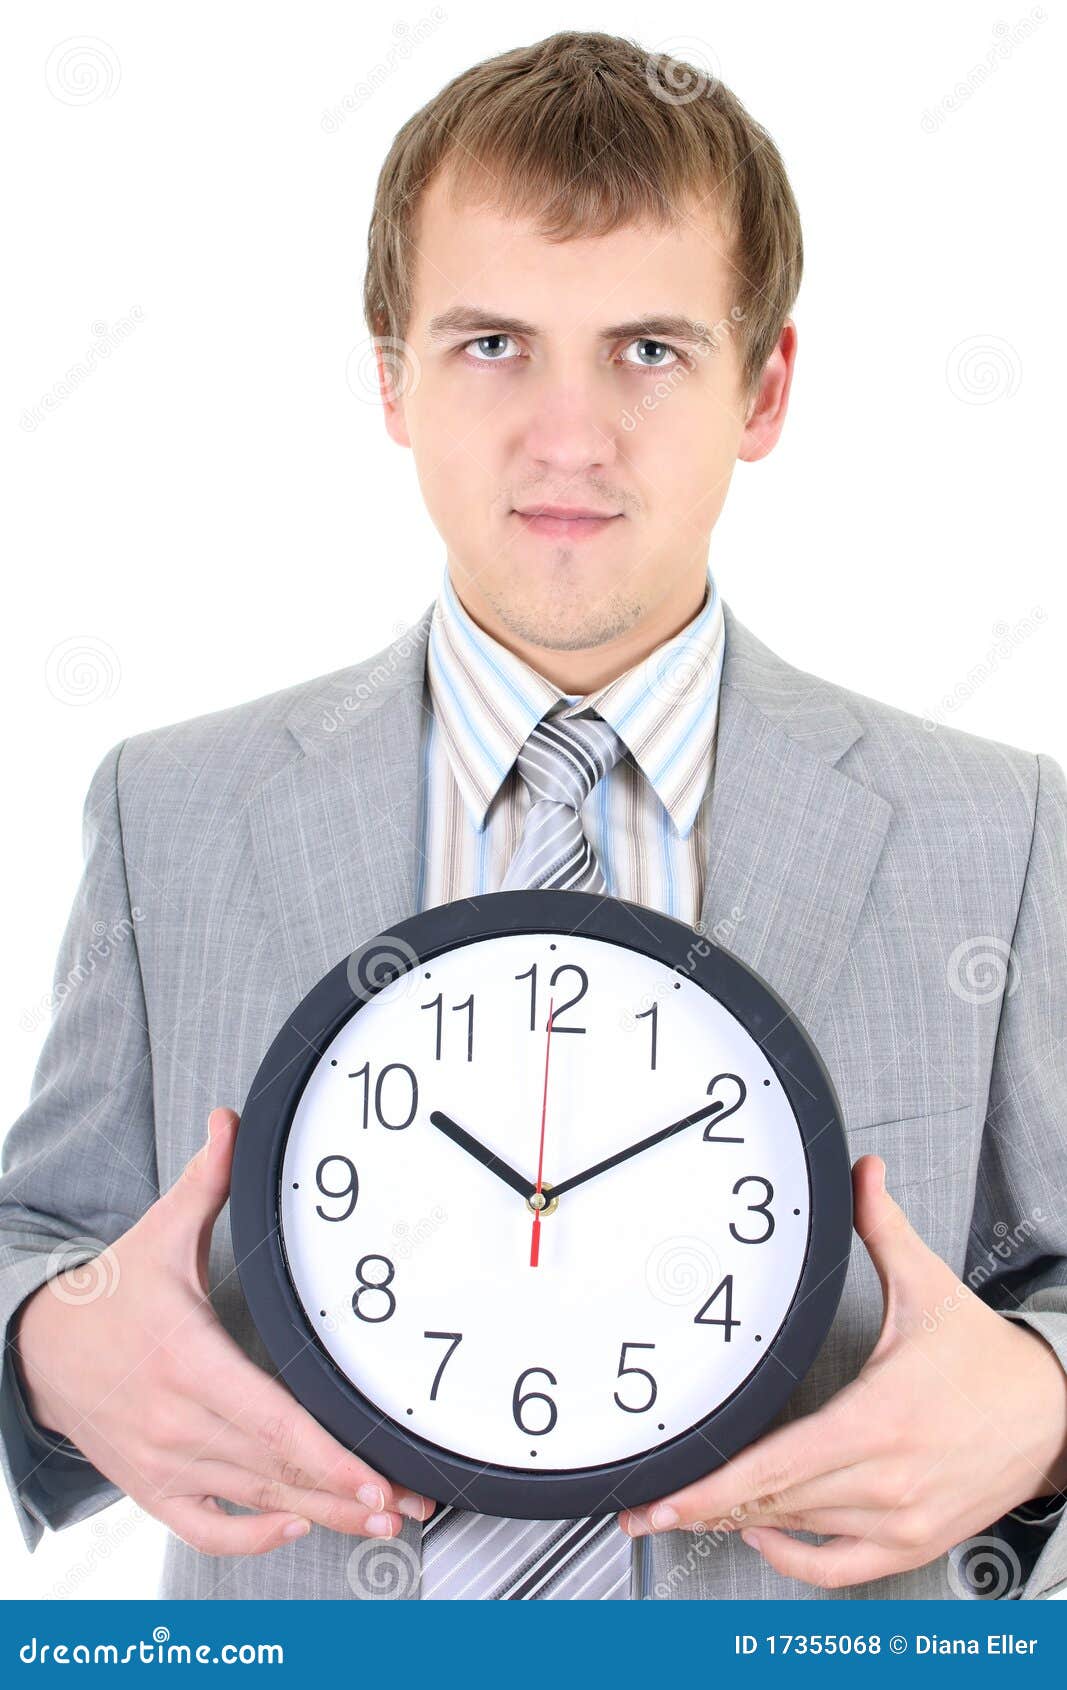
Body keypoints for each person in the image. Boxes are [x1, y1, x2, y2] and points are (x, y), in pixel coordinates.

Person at [2, 29, 1066, 1603]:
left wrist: (1044, 1407)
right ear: (391, 379)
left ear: (765, 384)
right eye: (493, 343)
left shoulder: (999, 829)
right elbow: (44, 1231)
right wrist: (49, 1347)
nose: (570, 437)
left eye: (649, 349)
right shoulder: (175, 812)